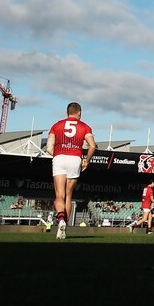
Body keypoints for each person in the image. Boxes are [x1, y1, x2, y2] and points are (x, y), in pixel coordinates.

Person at [45, 101, 97, 240]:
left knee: (59, 195)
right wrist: (87, 160)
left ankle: (60, 219)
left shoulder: (56, 125)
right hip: (75, 158)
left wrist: (56, 155)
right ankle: (65, 226)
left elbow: (49, 147)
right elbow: (92, 146)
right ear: (79, 113)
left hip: (60, 157)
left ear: (67, 112)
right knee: (69, 195)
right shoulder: (85, 127)